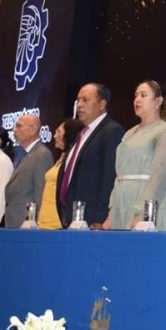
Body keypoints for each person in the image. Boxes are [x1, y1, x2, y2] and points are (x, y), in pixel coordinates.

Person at [104, 81, 166, 230]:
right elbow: (119, 176)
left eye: (143, 95)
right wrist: (112, 211)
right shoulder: (129, 133)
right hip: (121, 203)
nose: (137, 100)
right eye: (136, 95)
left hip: (145, 205)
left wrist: (143, 213)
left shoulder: (164, 132)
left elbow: (159, 176)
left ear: (158, 101)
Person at [57, 83, 125, 228]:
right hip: (71, 217)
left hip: (92, 221)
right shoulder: (81, 133)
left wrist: (100, 218)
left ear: (102, 104)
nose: (80, 105)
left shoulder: (111, 131)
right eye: (78, 100)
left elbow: (110, 177)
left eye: (85, 100)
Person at [4, 114, 54, 227]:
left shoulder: (41, 155)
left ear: (32, 130)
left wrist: (35, 224)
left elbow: (41, 194)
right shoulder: (25, 154)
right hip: (15, 223)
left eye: (18, 126)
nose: (14, 129)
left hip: (26, 226)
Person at [38, 119, 84, 229]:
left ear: (70, 134)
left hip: (56, 222)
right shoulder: (61, 158)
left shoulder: (73, 160)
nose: (54, 136)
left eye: (59, 132)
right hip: (44, 220)